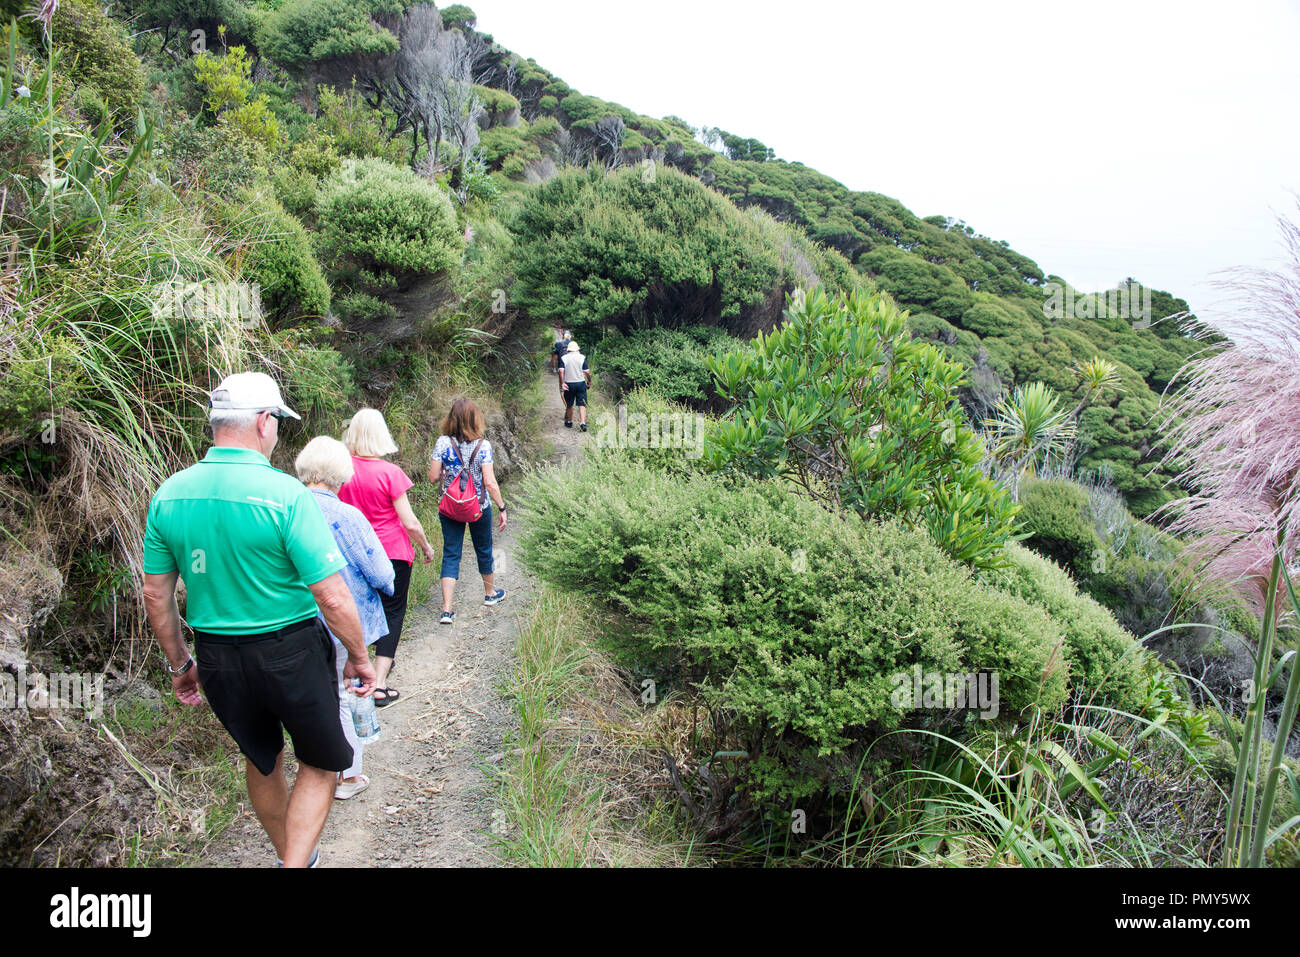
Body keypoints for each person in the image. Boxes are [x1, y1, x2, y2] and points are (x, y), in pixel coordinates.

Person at [142, 372, 377, 868]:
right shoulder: (285, 494)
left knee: (260, 756)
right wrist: (359, 656)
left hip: (217, 654)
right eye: (277, 423)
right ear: (264, 422)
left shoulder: (170, 494)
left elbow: (155, 593)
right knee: (319, 761)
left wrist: (180, 663)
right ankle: (296, 864)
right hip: (290, 647)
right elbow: (331, 596)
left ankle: (292, 858)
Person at [295, 436, 395, 801]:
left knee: (312, 694)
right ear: (341, 474)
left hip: (292, 622)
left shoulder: (283, 509)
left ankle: (314, 766)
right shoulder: (346, 516)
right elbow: (382, 572)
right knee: (345, 692)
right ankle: (348, 775)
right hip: (339, 621)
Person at [339, 408, 435, 708]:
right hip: (391, 552)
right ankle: (379, 684)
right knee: (392, 612)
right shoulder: (390, 473)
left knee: (354, 610)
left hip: (351, 553)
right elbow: (409, 522)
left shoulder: (340, 471)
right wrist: (426, 546)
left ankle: (353, 672)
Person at [427, 398, 508, 625]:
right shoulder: (483, 446)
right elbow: (490, 483)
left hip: (450, 506)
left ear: (451, 418)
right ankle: (490, 594)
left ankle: (446, 610)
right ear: (475, 419)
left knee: (451, 553)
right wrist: (502, 507)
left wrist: (445, 473)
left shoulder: (442, 443)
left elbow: (433, 477)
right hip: (478, 508)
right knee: (484, 548)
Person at [559, 340, 591, 431]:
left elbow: (561, 371)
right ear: (577, 349)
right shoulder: (582, 357)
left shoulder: (563, 358)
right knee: (582, 404)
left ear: (568, 350)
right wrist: (589, 381)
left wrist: (562, 383)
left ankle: (569, 422)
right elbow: (587, 372)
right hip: (580, 383)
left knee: (569, 404)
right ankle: (582, 423)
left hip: (568, 383)